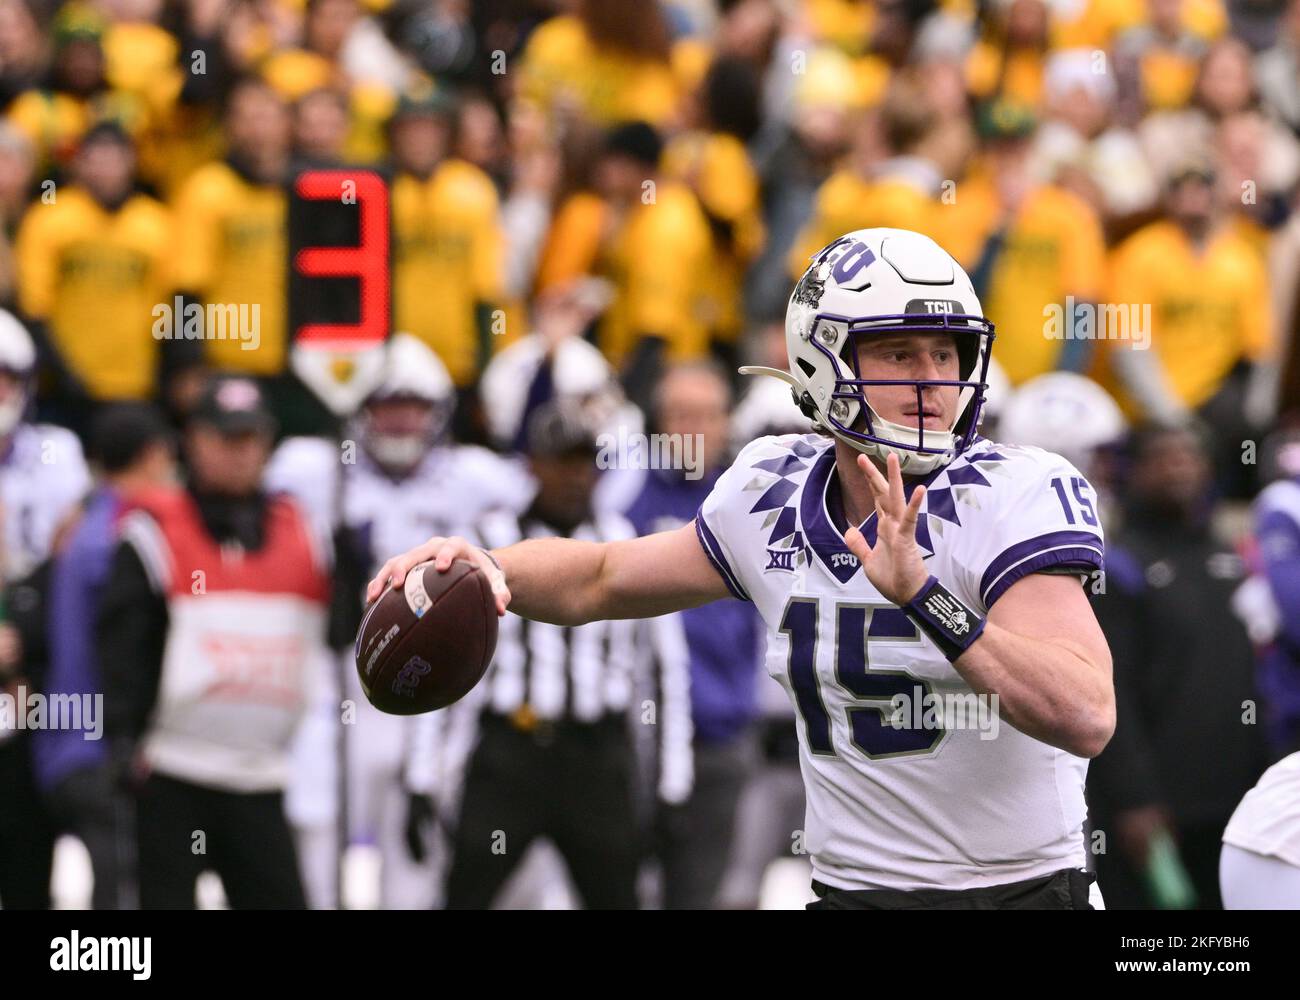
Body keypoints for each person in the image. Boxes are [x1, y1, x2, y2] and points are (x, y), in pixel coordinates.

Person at [368, 227, 1116, 909]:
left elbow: (1085, 714)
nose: (931, 379)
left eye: (945, 353)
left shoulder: (1013, 492)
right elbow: (601, 574)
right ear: (823, 362)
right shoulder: (771, 492)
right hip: (855, 894)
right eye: (899, 352)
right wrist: (488, 566)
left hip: (1018, 894)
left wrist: (924, 596)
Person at [265, 334, 531, 909]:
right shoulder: (316, 470)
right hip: (336, 680)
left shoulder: (475, 478)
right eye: (388, 405)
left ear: (439, 413)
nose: (401, 421)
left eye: (414, 406)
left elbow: (570, 488)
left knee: (418, 845)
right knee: (316, 829)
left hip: (433, 687)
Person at [437, 400, 692, 909]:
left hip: (596, 757)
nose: (575, 476)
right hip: (511, 750)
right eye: (561, 461)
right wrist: (425, 774)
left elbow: (664, 668)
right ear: (531, 463)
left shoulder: (622, 539)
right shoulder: (490, 538)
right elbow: (449, 661)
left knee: (618, 898)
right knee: (464, 895)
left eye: (586, 462)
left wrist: (673, 782)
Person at [98, 376, 330, 909]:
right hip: (175, 772)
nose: (239, 452)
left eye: (250, 438)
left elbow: (345, 631)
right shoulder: (152, 531)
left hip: (263, 774)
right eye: (225, 438)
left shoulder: (307, 529)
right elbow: (122, 651)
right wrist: (121, 744)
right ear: (194, 440)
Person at [1087, 422, 1269, 909]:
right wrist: (1133, 799)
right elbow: (1111, 689)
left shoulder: (1229, 554)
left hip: (1234, 799)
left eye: (1189, 455)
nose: (1180, 467)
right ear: (1134, 472)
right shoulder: (1118, 566)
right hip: (1156, 807)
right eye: (1163, 457)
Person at [623, 362, 764, 909]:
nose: (693, 429)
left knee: (702, 894)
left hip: (720, 735)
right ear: (656, 425)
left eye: (706, 415)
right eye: (681, 415)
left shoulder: (747, 500)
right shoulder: (626, 493)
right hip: (637, 739)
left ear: (727, 423)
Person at [33, 402, 176, 910]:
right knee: (122, 903)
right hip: (102, 750)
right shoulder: (120, 533)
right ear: (152, 455)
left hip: (63, 744)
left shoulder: (86, 524)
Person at [0, 310, 91, 909]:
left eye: (3, 377)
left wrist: (21, 636)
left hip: (30, 663)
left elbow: (69, 561)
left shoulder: (57, 452)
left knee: (26, 837)